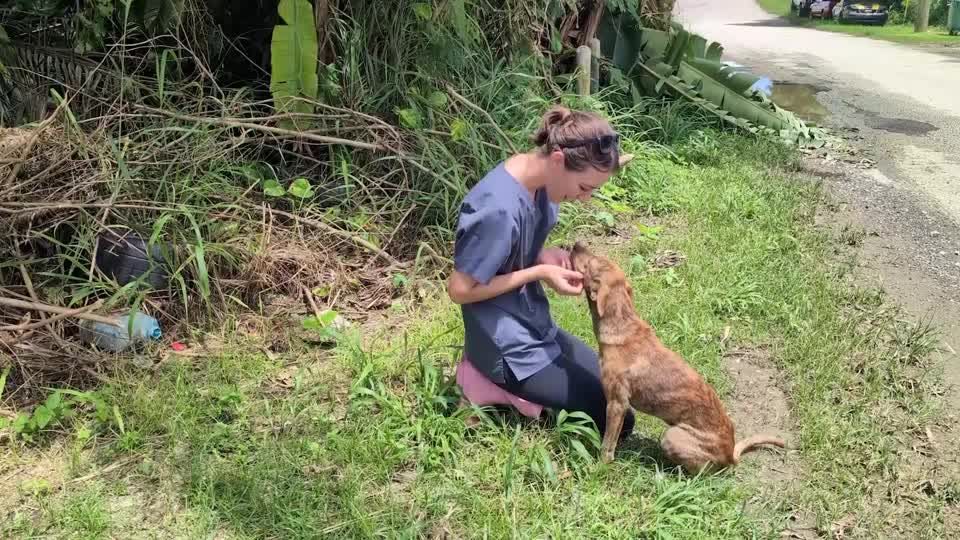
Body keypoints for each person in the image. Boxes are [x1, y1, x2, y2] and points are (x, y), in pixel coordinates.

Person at [447, 105, 635, 438]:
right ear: (560, 160)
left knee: (618, 394)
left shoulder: (540, 179)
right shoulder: (498, 208)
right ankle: (484, 376)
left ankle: (519, 391)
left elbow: (512, 249)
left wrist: (541, 255)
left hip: (533, 323)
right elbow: (460, 289)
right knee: (616, 423)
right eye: (584, 187)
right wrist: (538, 273)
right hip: (504, 344)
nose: (586, 199)